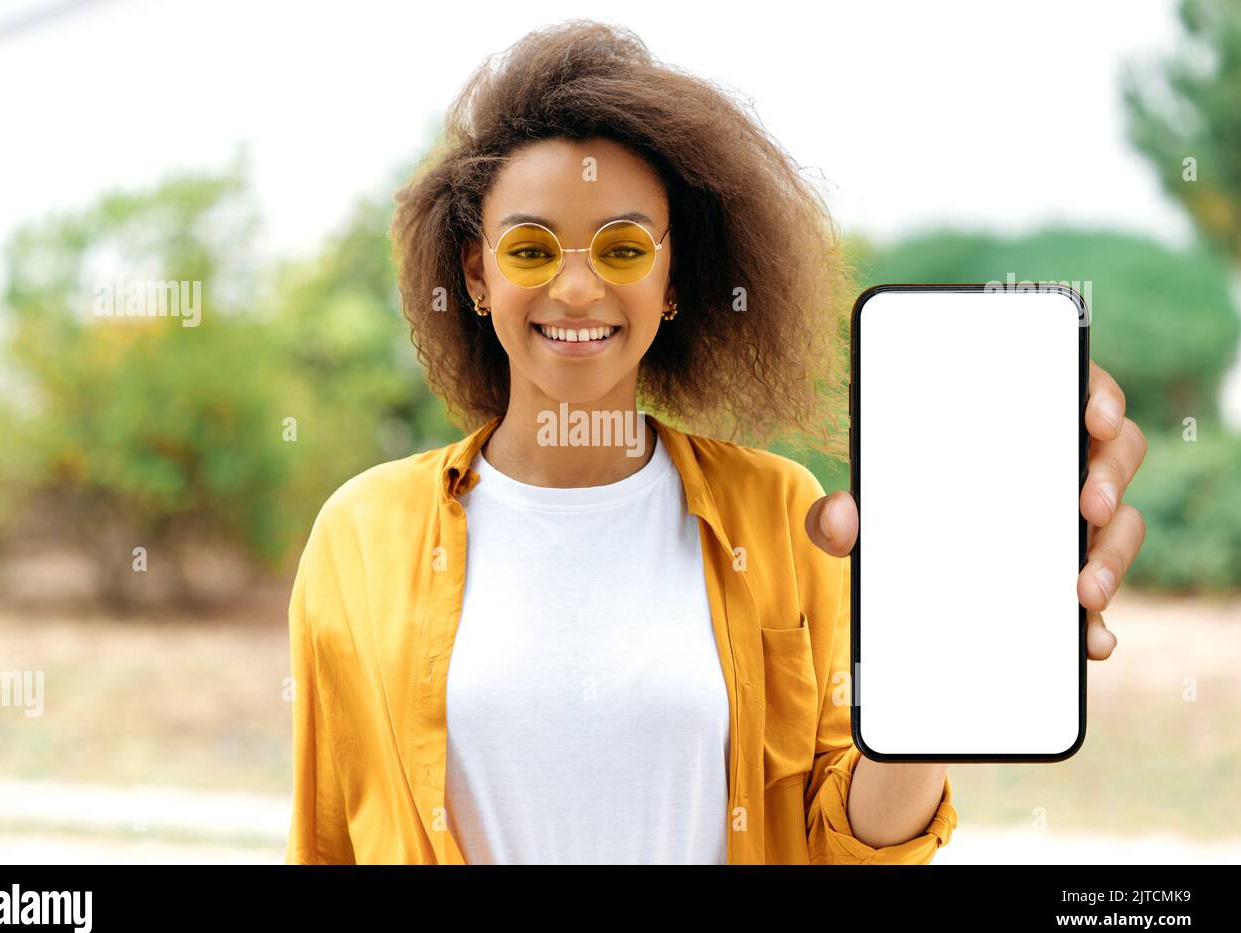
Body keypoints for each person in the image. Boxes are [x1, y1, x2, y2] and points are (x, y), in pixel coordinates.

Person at [285, 20, 1147, 865]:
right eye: (531, 248)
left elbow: (847, 847)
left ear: (671, 279)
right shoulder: (360, 538)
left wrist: (939, 667)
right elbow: (325, 844)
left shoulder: (784, 516)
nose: (577, 287)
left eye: (622, 248)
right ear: (477, 273)